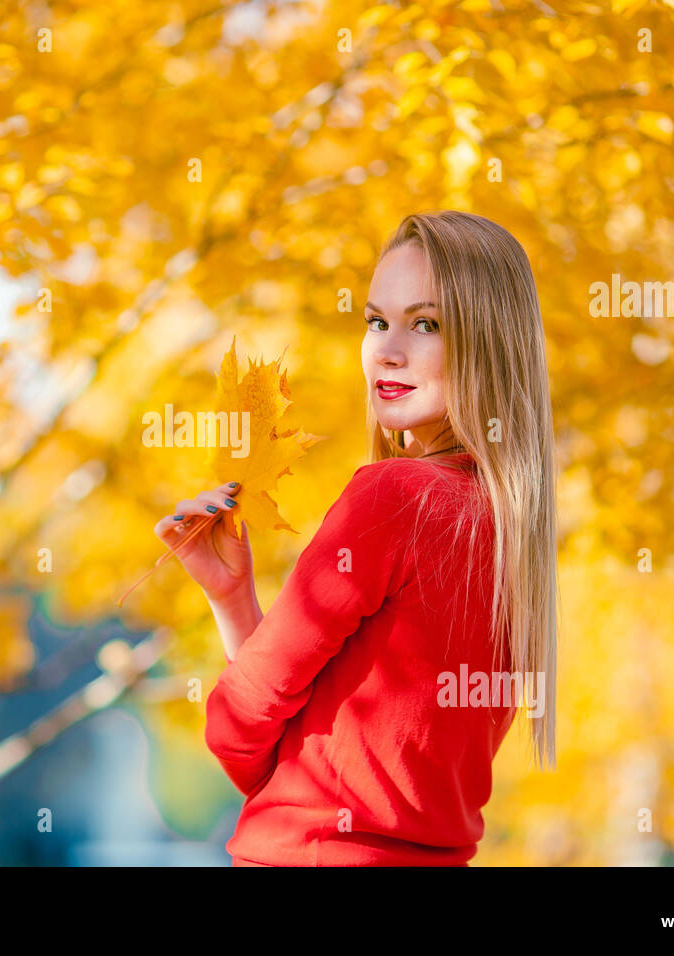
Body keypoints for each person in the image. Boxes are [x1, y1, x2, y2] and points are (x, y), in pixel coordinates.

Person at [153, 210, 559, 866]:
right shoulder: (512, 530)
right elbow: (322, 762)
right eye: (377, 321)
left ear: (488, 343)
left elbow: (237, 740)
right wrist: (231, 597)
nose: (387, 350)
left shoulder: (393, 497)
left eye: (426, 324)